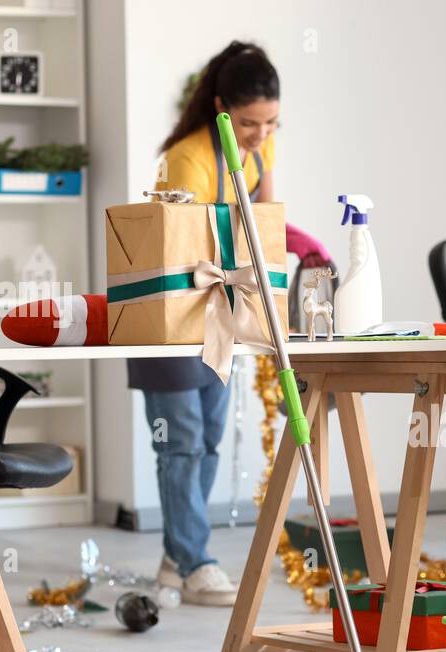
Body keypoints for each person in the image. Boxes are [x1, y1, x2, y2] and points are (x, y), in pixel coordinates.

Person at [132, 41, 327, 606]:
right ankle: (196, 559)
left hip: (220, 315)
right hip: (171, 313)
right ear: (220, 109)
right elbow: (185, 245)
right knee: (182, 442)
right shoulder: (188, 158)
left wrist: (299, 243)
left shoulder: (259, 151)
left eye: (271, 123)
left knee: (209, 439)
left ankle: (175, 558)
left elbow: (261, 225)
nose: (260, 135)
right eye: (247, 123)